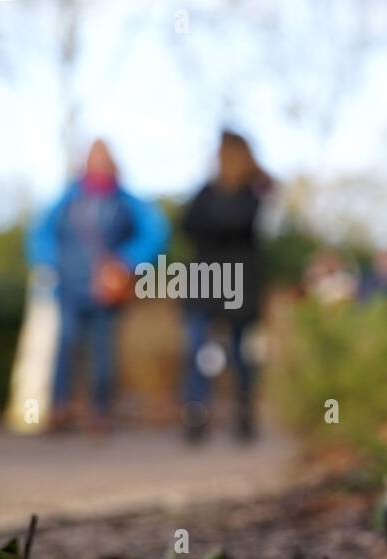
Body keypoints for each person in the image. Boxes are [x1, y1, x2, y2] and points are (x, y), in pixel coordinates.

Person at [26, 139, 169, 432]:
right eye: (95, 157)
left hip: (106, 289)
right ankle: (60, 407)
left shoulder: (126, 201)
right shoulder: (69, 198)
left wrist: (127, 262)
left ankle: (99, 411)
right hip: (68, 284)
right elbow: (41, 232)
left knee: (103, 350)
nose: (99, 163)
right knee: (65, 343)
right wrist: (49, 261)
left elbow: (155, 233)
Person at [179, 131, 271, 442]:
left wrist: (215, 224)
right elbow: (188, 224)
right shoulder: (206, 192)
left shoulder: (253, 191)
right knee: (198, 351)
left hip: (239, 284)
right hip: (205, 282)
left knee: (240, 353)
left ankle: (243, 415)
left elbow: (239, 223)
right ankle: (195, 416)